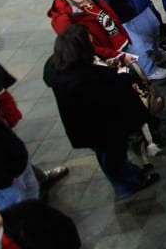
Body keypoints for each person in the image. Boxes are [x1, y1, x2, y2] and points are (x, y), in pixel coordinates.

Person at [42, 25, 159, 198]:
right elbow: (115, 86)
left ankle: (130, 173)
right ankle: (129, 185)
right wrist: (119, 72)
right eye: (89, 43)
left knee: (109, 157)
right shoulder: (88, 76)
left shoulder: (55, 66)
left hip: (83, 126)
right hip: (103, 127)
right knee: (114, 158)